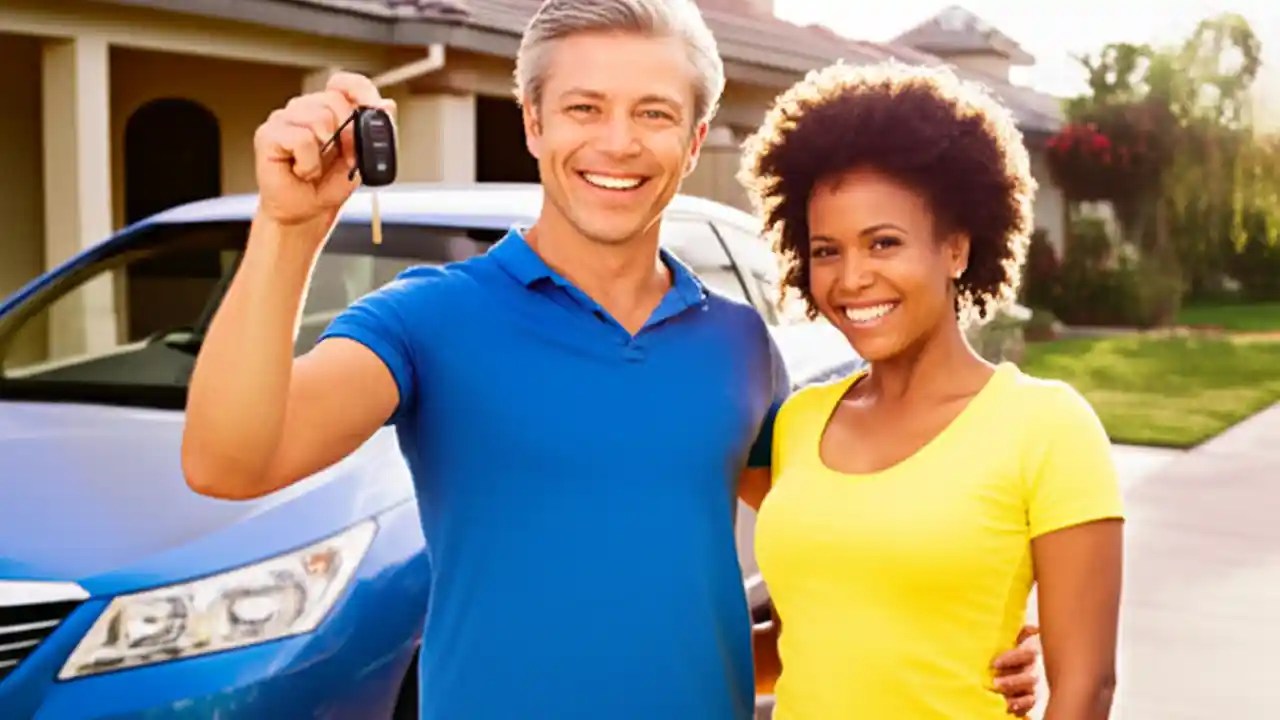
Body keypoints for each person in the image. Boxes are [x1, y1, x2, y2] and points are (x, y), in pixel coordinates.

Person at [181, 1, 1043, 718]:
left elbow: (845, 560)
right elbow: (230, 461)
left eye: (654, 113)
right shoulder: (430, 319)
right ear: (533, 123)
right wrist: (290, 229)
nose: (618, 143)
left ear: (696, 134)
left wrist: (966, 640)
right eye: (585, 108)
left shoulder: (739, 343)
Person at [734, 59, 1126, 719]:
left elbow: (1086, 690)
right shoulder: (800, 421)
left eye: (883, 243)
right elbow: (812, 641)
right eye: (826, 250)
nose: (851, 278)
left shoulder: (1047, 427)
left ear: (956, 249)